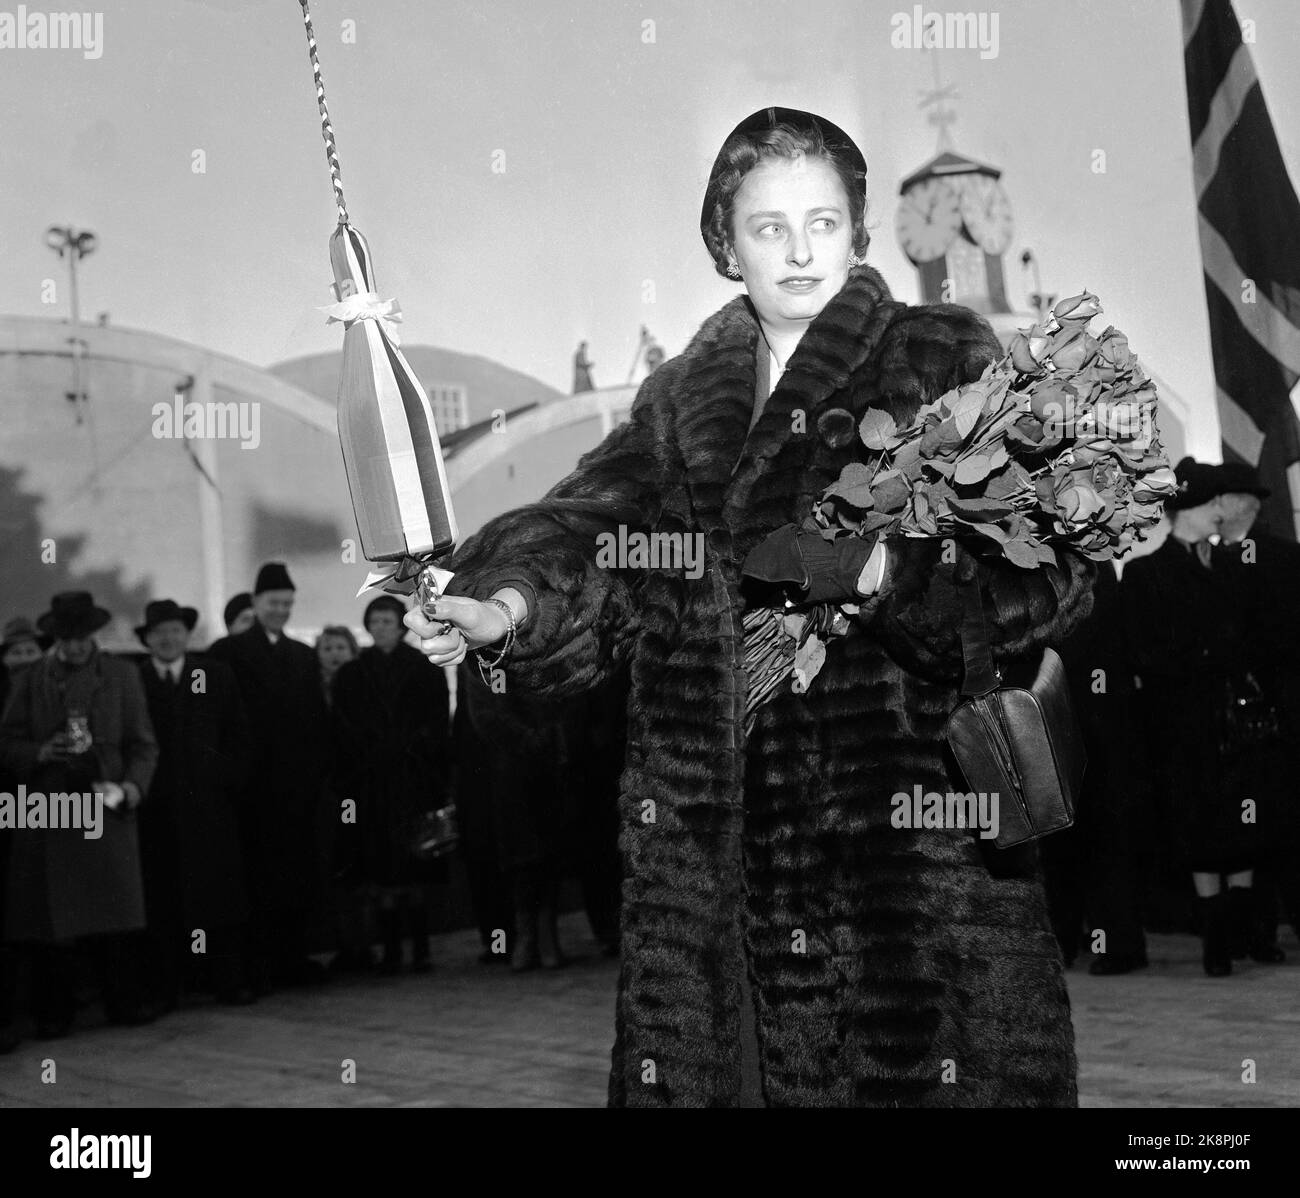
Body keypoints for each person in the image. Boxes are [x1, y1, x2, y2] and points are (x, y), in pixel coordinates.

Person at [404, 108, 1095, 1107]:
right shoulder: (682, 400)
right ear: (724, 246)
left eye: (822, 219)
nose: (799, 248)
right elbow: (600, 533)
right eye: (767, 226)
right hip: (712, 848)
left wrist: (880, 573)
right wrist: (504, 607)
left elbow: (1051, 574)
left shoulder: (940, 356)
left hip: (901, 849)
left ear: (859, 231)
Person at [1121, 459, 1287, 976]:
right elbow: (1142, 653)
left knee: (1245, 823)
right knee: (1201, 826)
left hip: (1239, 723)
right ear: (1191, 508)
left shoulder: (1233, 566)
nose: (1224, 513)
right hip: (1184, 724)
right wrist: (1209, 660)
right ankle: (1217, 937)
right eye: (1214, 502)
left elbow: (1258, 636)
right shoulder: (1147, 573)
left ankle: (1238, 930)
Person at [0, 592, 159, 1037]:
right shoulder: (32, 679)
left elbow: (144, 744)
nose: (73, 646)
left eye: (80, 637)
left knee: (114, 911)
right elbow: (7, 742)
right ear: (55, 637)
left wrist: (131, 788)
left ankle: (123, 1003)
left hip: (105, 802)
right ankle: (55, 1014)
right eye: (65, 638)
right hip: (48, 807)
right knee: (52, 921)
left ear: (93, 634)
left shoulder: (123, 676)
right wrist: (39, 751)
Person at [209, 563, 330, 990]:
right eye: (273, 603)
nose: (280, 610)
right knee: (256, 879)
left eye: (286, 604)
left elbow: (315, 720)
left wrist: (312, 777)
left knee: (294, 876)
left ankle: (291, 960)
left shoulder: (301, 654)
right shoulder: (227, 652)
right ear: (256, 603)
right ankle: (258, 967)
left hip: (295, 789)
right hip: (252, 789)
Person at [135, 599, 254, 1008]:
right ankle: (167, 989)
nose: (168, 638)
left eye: (175, 631)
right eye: (159, 632)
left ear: (187, 635)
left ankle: (227, 981)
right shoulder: (137, 681)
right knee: (163, 899)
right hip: (157, 812)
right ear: (148, 639)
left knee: (218, 897)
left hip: (209, 810)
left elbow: (238, 735)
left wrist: (221, 783)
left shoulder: (213, 674)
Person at [1206, 463, 1300, 948]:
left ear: (1237, 503)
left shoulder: (1264, 559)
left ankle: (1266, 927)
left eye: (1219, 499)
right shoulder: (1274, 555)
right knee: (1263, 822)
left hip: (1272, 714)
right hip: (1257, 717)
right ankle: (1261, 930)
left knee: (1273, 821)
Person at [332, 596, 450, 973]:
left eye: (387, 620)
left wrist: (412, 753)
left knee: (412, 868)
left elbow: (437, 725)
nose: (381, 627)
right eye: (375, 621)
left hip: (411, 782)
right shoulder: (352, 673)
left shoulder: (424, 669)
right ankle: (391, 950)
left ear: (401, 625)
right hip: (372, 785)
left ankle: (419, 950)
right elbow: (344, 726)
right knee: (380, 869)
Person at [0, 617, 52, 1052]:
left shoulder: (51, 691)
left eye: (30, 651)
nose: (23, 659)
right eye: (15, 652)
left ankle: (44, 1010)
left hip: (38, 813)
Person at [315, 625, 359, 708]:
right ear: (318, 655)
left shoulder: (367, 682)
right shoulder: (311, 686)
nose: (334, 653)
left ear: (353, 652)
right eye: (327, 649)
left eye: (341, 648)